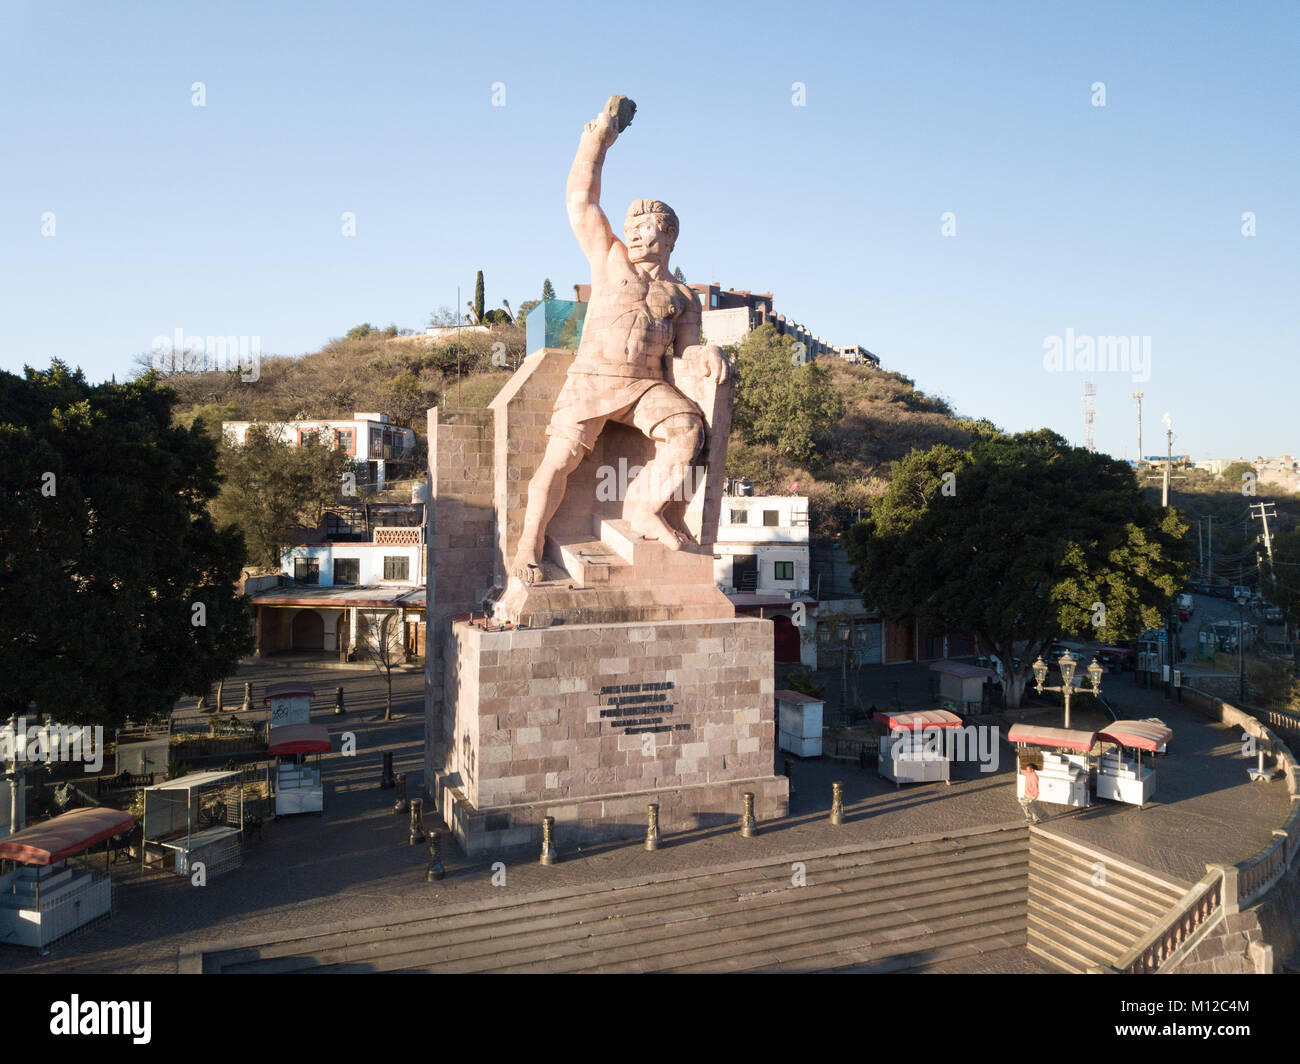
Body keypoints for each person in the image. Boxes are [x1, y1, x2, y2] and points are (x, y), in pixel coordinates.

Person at [510, 95, 730, 583]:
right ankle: (529, 543)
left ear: (669, 236)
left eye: (646, 228)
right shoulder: (608, 258)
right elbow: (581, 200)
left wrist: (708, 351)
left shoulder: (682, 297)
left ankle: (645, 510)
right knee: (560, 459)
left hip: (645, 384)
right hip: (592, 378)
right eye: (630, 226)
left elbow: (686, 351)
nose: (634, 234)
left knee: (687, 431)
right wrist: (598, 138)